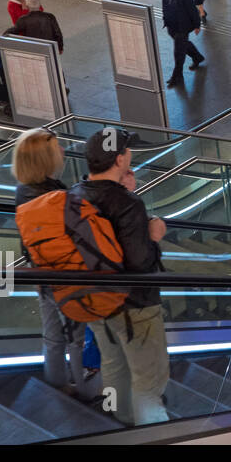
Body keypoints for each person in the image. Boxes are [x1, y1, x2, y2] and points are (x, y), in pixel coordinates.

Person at [78, 127, 170, 426]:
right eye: (128, 151)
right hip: (134, 307)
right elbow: (141, 263)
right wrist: (154, 237)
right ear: (119, 160)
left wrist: (124, 190)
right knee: (148, 380)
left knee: (114, 366)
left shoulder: (75, 194)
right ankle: (155, 434)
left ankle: (123, 424)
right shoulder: (128, 205)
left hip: (95, 300)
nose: (131, 155)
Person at [12, 128, 97, 401]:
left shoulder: (23, 191)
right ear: (43, 158)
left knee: (52, 333)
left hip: (41, 272)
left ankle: (56, 383)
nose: (62, 151)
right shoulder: (53, 195)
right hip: (66, 275)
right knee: (75, 334)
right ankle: (80, 388)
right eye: (57, 148)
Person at [161, 0, 205, 87]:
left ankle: (177, 76)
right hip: (172, 27)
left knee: (178, 54)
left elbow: (193, 11)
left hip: (182, 28)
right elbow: (164, 7)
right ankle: (198, 57)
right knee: (184, 45)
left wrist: (197, 25)